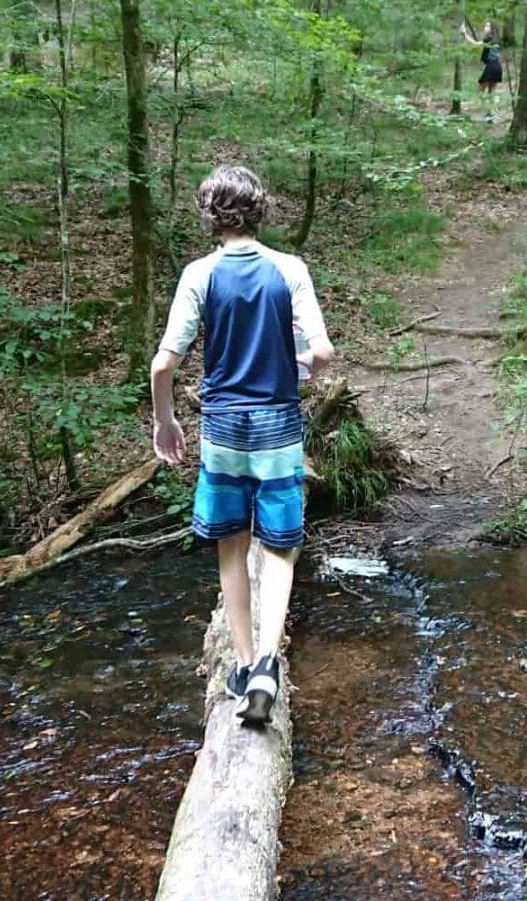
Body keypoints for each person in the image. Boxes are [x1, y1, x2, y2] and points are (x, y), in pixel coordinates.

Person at [151, 164, 334, 726]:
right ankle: (268, 669)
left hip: (223, 426)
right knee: (279, 548)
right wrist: (298, 367)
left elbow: (163, 364)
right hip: (278, 424)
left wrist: (165, 421)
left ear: (209, 215)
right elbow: (323, 353)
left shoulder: (199, 274)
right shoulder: (290, 269)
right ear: (260, 211)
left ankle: (243, 662)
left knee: (232, 544)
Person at [460, 18, 503, 101]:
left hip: (491, 66)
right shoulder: (497, 40)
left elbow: (475, 44)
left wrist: (465, 34)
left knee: (480, 89)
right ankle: (491, 108)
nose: (485, 28)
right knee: (491, 91)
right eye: (485, 26)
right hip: (498, 67)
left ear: (492, 29)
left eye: (487, 26)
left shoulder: (489, 39)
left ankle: (483, 105)